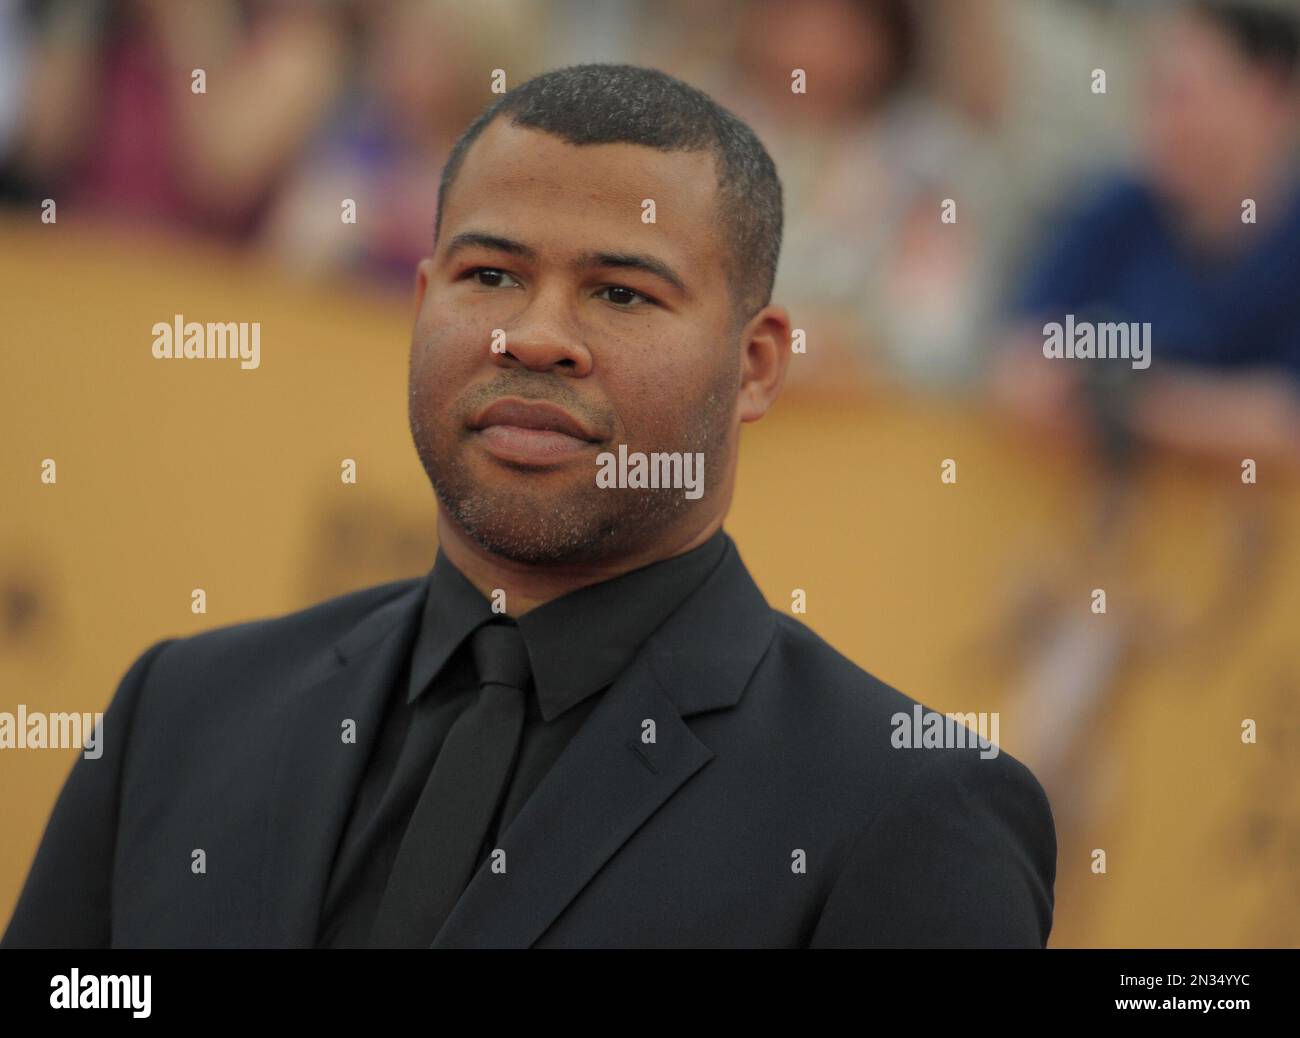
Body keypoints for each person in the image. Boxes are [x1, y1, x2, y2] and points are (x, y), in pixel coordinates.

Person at [3, 63, 1055, 949]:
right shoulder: (182, 716)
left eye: (621, 293)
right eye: (492, 276)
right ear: (420, 306)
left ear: (756, 364)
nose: (534, 336)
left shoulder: (908, 810)